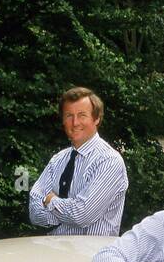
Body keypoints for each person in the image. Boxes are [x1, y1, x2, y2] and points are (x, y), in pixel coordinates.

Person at [28, 87, 128, 236]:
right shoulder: (58, 160)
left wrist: (49, 200)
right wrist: (64, 212)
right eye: (69, 115)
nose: (75, 123)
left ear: (96, 118)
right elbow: (34, 213)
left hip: (89, 255)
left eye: (82, 115)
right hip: (52, 252)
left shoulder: (109, 161)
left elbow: (82, 215)